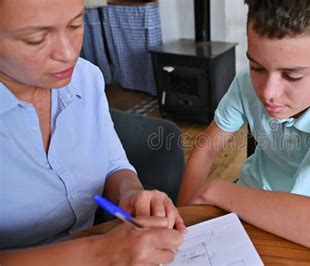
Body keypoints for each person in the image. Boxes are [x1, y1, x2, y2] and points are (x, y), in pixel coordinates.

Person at [178, 0, 310, 255]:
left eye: (292, 76)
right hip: (246, 200)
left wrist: (214, 190)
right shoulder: (245, 85)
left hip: (306, 223)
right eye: (257, 67)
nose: (268, 93)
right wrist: (183, 220)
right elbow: (206, 150)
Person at [0, 0, 185, 264]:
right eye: (36, 39)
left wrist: (131, 194)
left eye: (76, 24)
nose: (68, 53)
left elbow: (112, 163)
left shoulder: (86, 78)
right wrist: (98, 253)